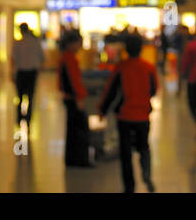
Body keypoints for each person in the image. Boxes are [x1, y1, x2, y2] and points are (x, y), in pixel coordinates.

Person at [99, 33, 158, 193]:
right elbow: (154, 90)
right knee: (143, 146)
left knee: (125, 153)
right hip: (143, 114)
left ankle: (129, 186)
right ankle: (146, 173)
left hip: (125, 116)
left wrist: (102, 109)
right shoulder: (149, 67)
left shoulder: (121, 68)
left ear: (126, 49)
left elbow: (110, 91)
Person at [58, 29, 93, 168]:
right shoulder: (69, 59)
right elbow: (73, 80)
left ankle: (71, 159)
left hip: (69, 97)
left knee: (72, 130)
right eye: (79, 43)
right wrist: (78, 97)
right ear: (71, 44)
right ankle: (81, 159)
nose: (80, 46)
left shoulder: (65, 57)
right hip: (73, 98)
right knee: (80, 130)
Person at [11, 22, 45, 128]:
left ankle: (19, 118)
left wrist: (11, 73)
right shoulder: (35, 42)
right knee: (30, 97)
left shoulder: (18, 43)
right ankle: (28, 118)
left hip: (21, 73)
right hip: (31, 73)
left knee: (19, 97)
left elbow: (13, 59)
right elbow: (42, 58)